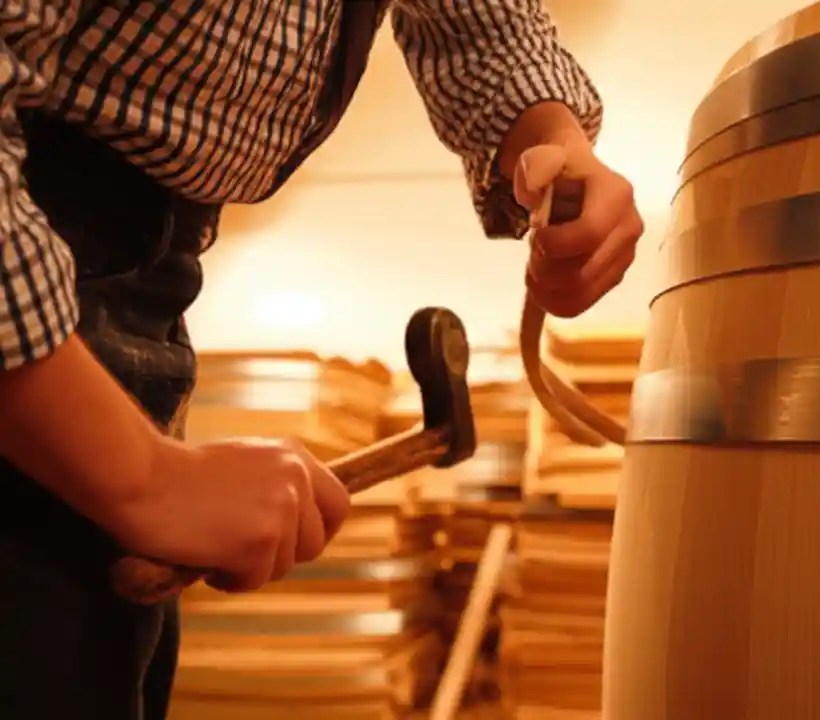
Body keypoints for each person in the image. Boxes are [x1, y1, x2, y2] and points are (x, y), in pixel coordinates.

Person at [0, 1, 643, 717]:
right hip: (32, 255)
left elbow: (482, 24)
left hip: (139, 271)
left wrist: (552, 135)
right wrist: (142, 476)